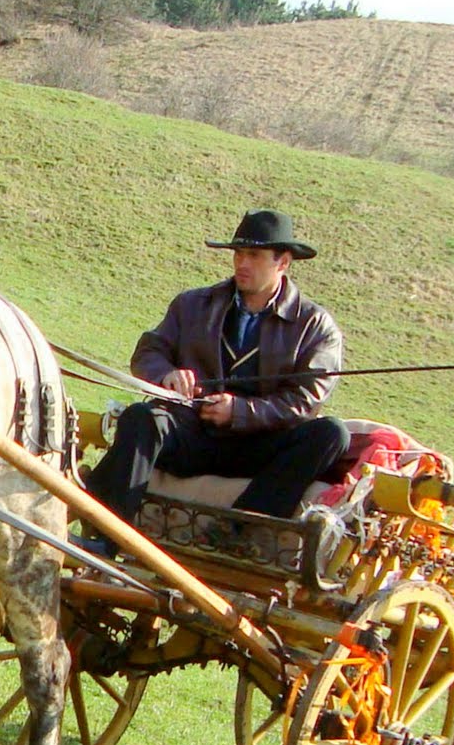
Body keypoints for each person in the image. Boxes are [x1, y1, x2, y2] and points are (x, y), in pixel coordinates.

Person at [83, 209, 351, 548]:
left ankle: (232, 533)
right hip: (193, 432)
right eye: (238, 254)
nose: (242, 263)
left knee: (332, 434)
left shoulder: (315, 325)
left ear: (283, 262)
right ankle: (106, 538)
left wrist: (239, 412)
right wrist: (167, 374)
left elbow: (305, 400)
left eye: (254, 255)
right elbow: (149, 351)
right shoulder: (193, 304)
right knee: (141, 417)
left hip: (261, 447)